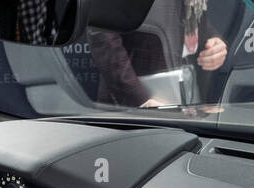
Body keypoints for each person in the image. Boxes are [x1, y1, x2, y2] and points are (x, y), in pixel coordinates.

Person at [90, 0, 228, 108]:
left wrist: (215, 42)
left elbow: (194, 18)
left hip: (189, 97)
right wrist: (138, 99)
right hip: (136, 108)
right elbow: (102, 33)